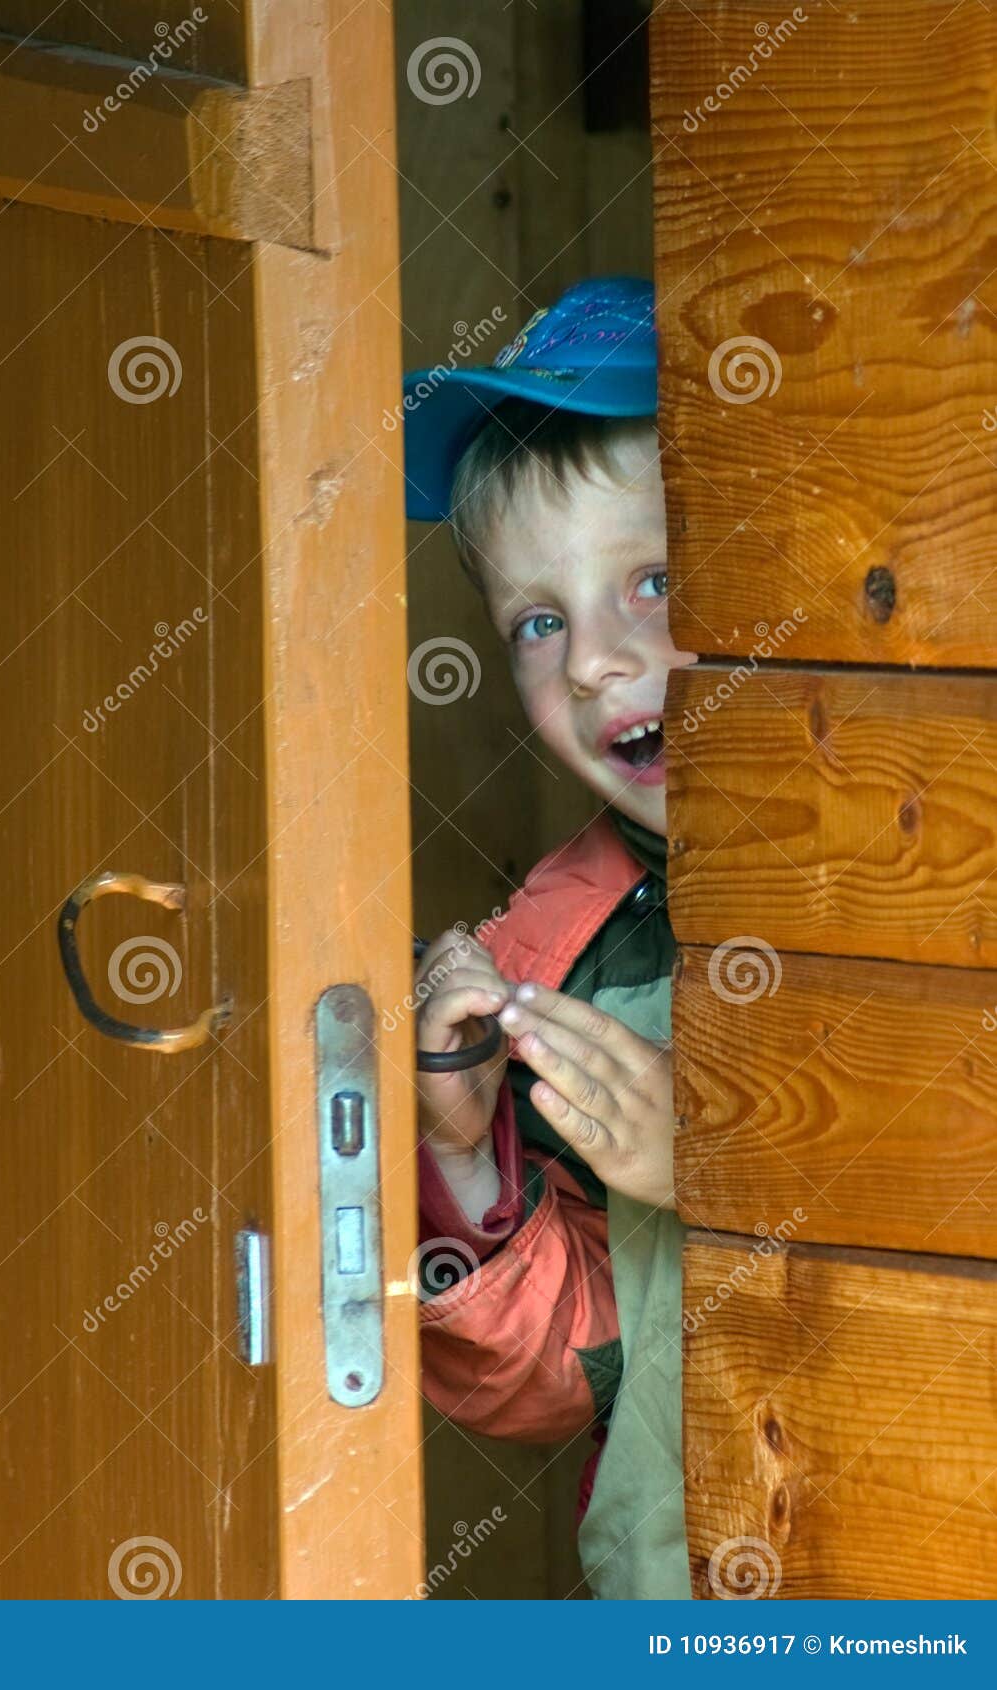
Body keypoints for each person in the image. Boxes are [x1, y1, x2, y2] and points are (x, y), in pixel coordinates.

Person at [404, 276, 698, 1599]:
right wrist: (465, 1158)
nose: (591, 661)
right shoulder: (552, 950)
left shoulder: (936, 847)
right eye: (540, 619)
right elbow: (553, 1379)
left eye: (652, 580)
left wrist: (721, 1166)